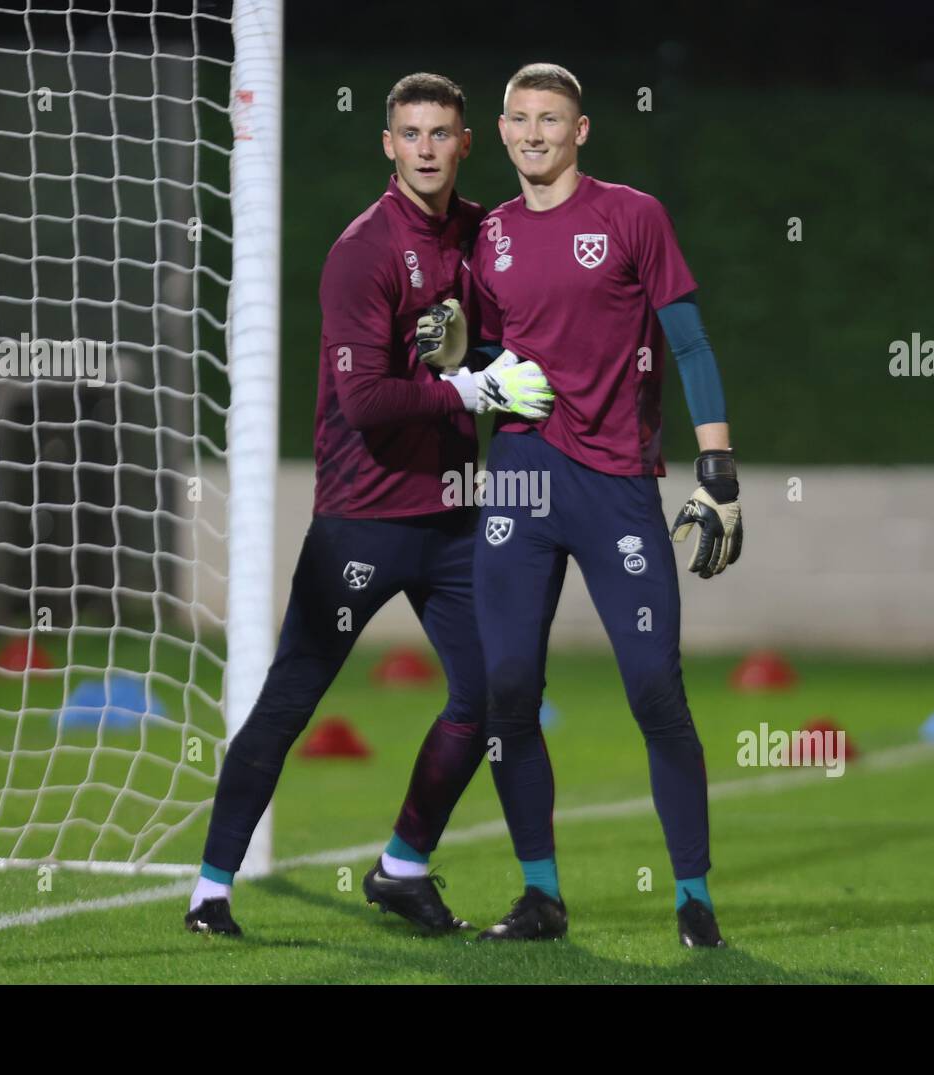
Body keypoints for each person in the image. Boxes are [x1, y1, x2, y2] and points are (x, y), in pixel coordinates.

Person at [185, 72, 554, 937]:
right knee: (288, 701)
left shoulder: (482, 234)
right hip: (362, 520)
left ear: (466, 143)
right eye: (410, 134)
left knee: (496, 696)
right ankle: (210, 889)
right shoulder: (363, 250)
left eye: (442, 134)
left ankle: (403, 865)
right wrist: (473, 391)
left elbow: (512, 337)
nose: (427, 148)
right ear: (388, 144)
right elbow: (370, 404)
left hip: (457, 523)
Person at [448, 62, 744, 947]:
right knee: (506, 692)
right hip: (521, 480)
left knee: (656, 690)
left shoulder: (632, 216)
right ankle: (540, 894)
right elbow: (485, 357)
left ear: (582, 131)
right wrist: (466, 367)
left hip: (616, 483)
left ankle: (692, 894)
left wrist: (719, 468)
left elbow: (689, 343)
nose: (534, 133)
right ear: (500, 131)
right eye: (520, 119)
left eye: (552, 119)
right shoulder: (488, 234)